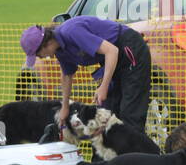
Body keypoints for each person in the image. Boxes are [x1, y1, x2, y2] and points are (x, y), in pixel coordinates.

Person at [20, 17, 152, 132]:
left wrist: (104, 86)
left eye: (38, 54)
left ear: (46, 45)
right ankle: (105, 159)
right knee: (104, 115)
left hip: (129, 49)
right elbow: (67, 75)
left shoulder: (72, 32)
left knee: (130, 113)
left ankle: (135, 158)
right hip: (112, 62)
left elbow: (112, 51)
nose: (40, 58)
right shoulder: (59, 49)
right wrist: (65, 107)